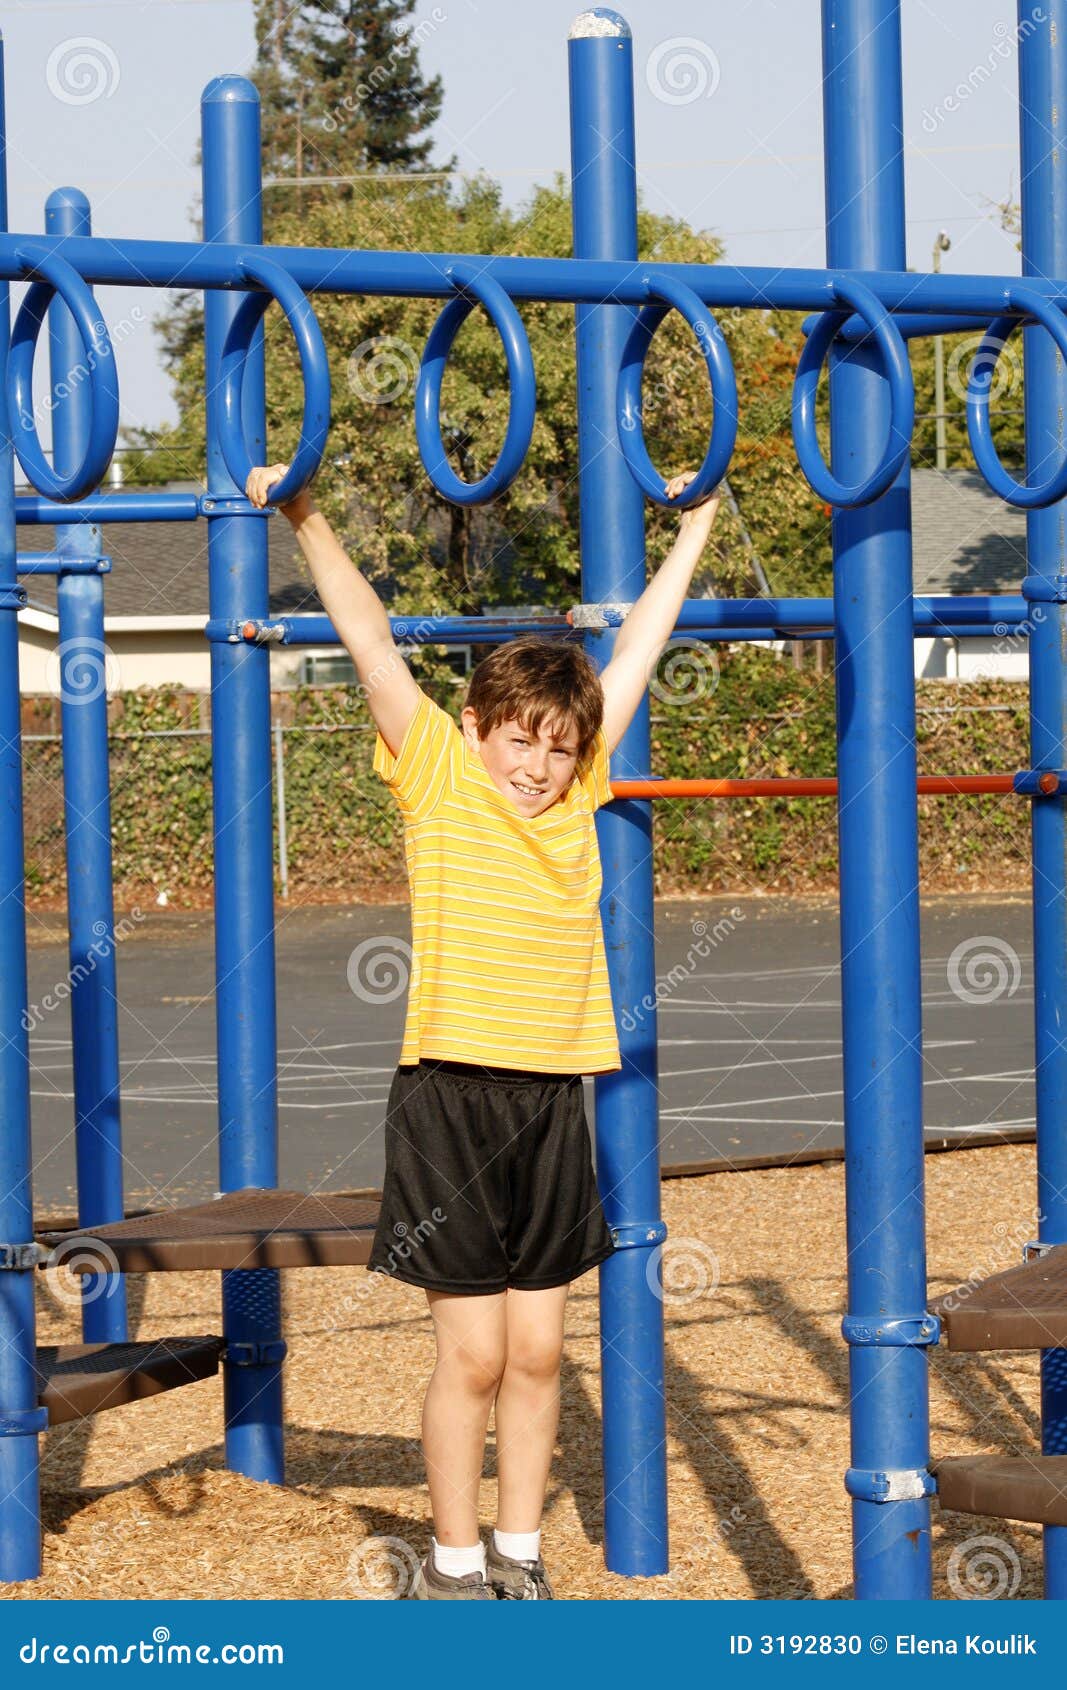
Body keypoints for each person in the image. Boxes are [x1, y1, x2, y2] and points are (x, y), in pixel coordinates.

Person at [245, 462, 720, 1598]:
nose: (537, 764)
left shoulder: (584, 787)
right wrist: (304, 514)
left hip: (555, 1098)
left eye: (557, 746)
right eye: (519, 739)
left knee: (542, 1351)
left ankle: (519, 1551)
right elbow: (366, 637)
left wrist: (695, 528)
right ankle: (455, 1561)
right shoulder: (437, 774)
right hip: (452, 1093)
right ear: (476, 728)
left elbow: (641, 647)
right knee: (470, 1351)